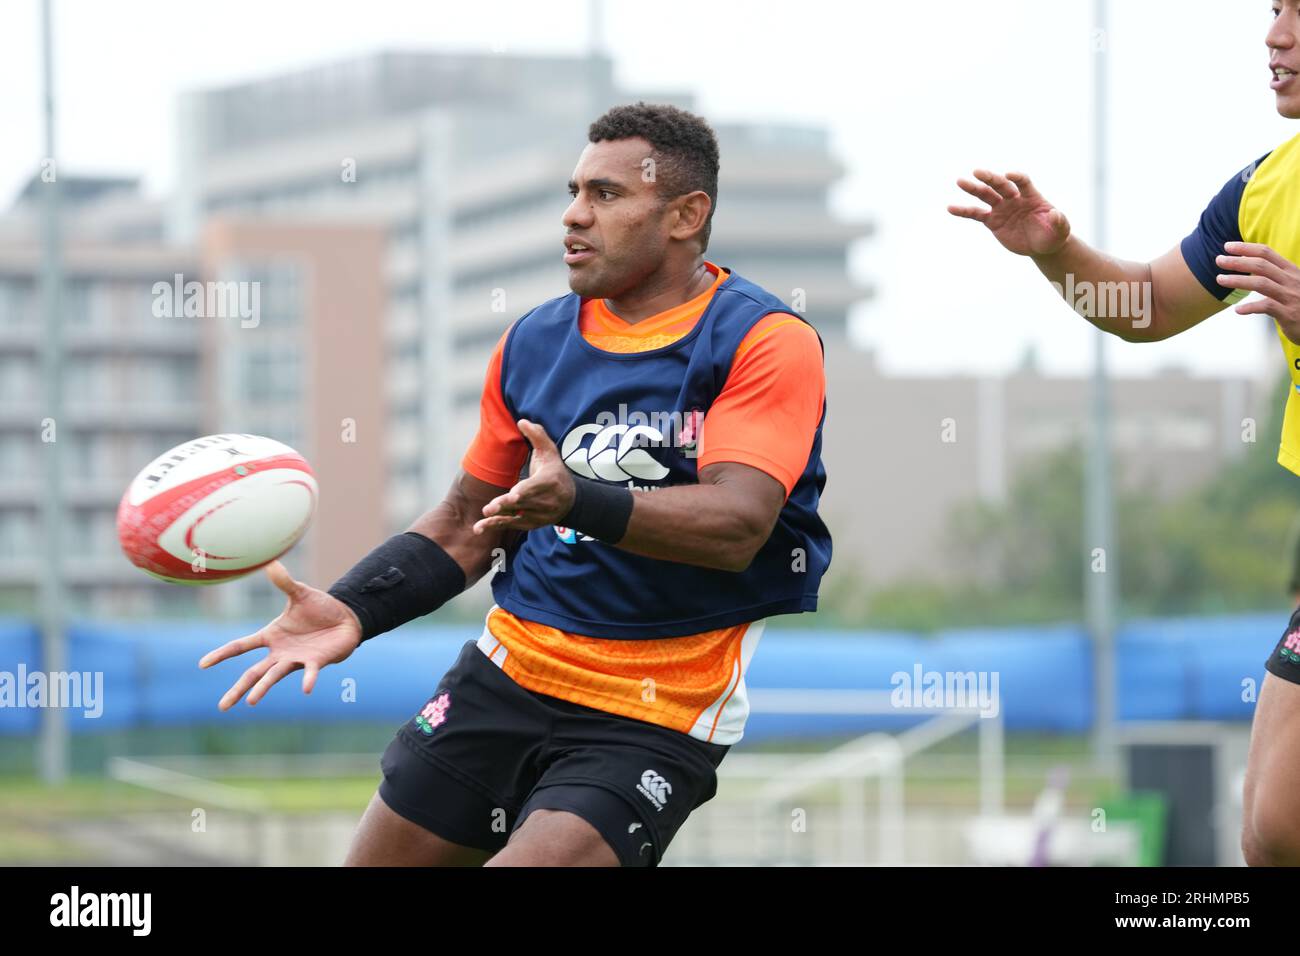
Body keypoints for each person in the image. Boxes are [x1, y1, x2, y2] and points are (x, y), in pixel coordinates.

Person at [199, 102, 832, 867]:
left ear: (685, 215)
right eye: (573, 192)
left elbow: (738, 526)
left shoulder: (763, 340)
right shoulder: (533, 341)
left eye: (605, 195)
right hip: (507, 673)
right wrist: (354, 607)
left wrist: (578, 501)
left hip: (654, 708)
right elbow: (471, 520)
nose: (574, 216)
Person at [947, 1, 1300, 866]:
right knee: (1273, 829)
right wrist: (1055, 252)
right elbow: (1144, 305)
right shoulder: (1269, 184)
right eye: (1273, 9)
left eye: (1298, 12)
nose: (1274, 35)